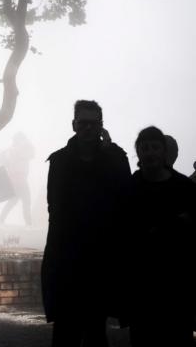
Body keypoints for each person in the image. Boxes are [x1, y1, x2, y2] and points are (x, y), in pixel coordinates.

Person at [41, 100, 131, 347]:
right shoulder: (59, 161)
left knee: (95, 327)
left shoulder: (115, 157)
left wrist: (110, 152)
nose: (88, 129)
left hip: (102, 254)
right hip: (68, 253)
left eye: (93, 124)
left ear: (101, 126)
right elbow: (55, 207)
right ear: (74, 125)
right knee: (66, 327)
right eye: (83, 123)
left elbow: (125, 197)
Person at [126, 127, 196, 347]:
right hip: (142, 287)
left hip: (178, 286)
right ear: (139, 153)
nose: (150, 153)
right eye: (145, 148)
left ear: (164, 151)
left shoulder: (185, 187)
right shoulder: (129, 188)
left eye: (154, 147)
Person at [0, 132, 35, 226]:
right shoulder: (20, 149)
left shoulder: (12, 150)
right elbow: (31, 154)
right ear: (21, 140)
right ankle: (29, 224)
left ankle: (1, 220)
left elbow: (4, 162)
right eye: (23, 139)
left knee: (13, 201)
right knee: (26, 201)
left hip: (15, 179)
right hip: (20, 179)